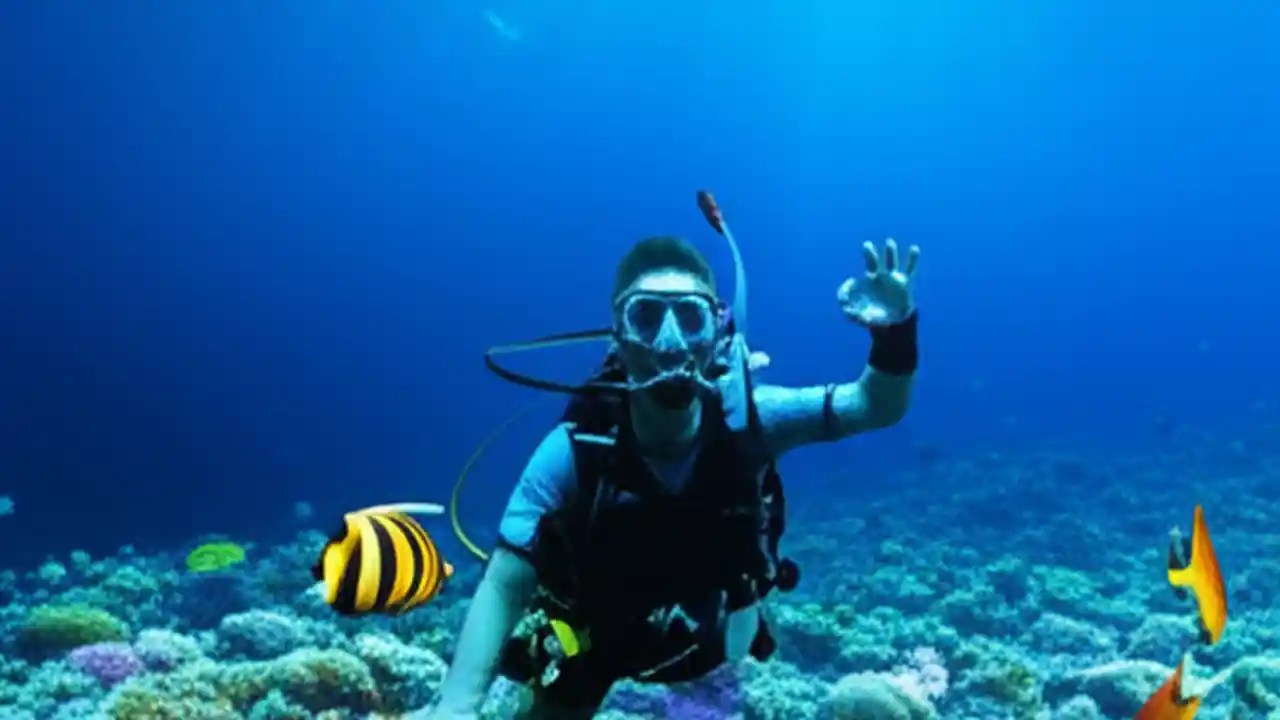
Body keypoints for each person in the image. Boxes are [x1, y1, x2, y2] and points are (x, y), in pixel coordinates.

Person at [423, 233, 921, 719]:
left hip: (715, 643)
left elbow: (874, 404)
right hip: (595, 641)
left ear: (716, 332)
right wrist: (456, 706)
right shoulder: (577, 450)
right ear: (618, 336)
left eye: (689, 316)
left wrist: (895, 332)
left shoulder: (752, 421)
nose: (668, 343)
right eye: (645, 317)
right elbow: (506, 585)